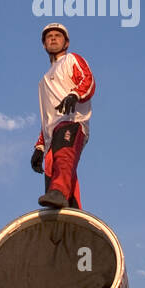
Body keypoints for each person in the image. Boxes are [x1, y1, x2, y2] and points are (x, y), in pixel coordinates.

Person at [31, 23, 94, 209]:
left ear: (66, 43)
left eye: (57, 35)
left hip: (71, 122)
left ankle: (59, 194)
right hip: (52, 135)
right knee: (54, 172)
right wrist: (40, 146)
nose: (52, 38)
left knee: (64, 160)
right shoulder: (43, 81)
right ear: (44, 45)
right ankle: (71, 214)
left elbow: (87, 79)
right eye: (48, 36)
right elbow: (47, 116)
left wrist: (75, 95)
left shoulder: (71, 60)